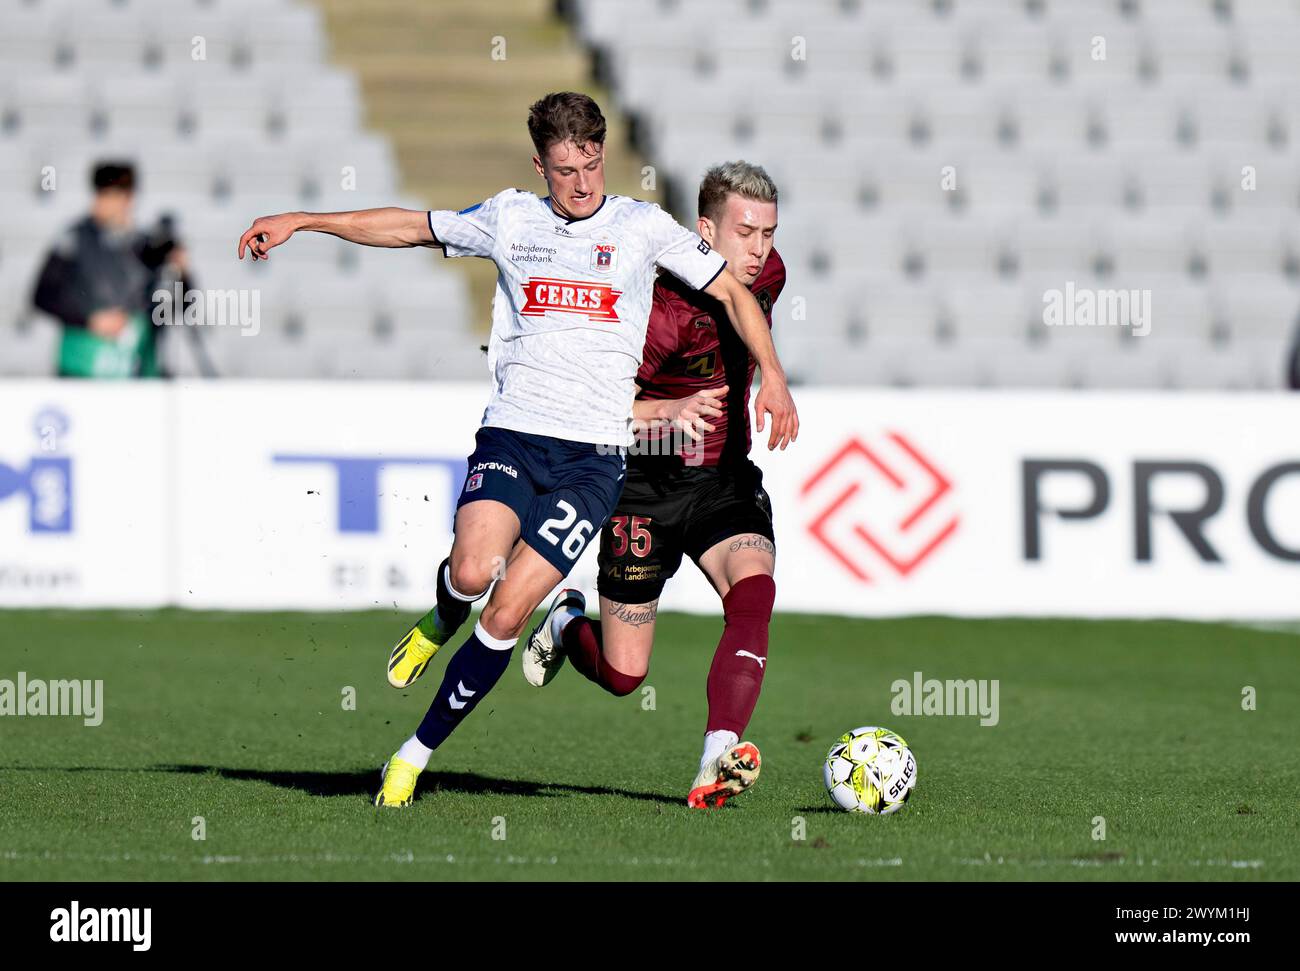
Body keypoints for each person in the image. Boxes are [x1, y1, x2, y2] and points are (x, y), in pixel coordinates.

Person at [236, 93, 798, 808]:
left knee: (516, 614)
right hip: (548, 446)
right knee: (480, 580)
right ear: (542, 165)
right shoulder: (514, 219)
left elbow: (743, 300)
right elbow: (409, 227)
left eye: (593, 164)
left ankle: (417, 756)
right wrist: (303, 220)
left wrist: (774, 378)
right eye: (567, 170)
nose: (584, 182)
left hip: (618, 465)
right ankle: (455, 613)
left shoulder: (649, 231)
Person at [520, 161, 786, 808]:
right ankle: (565, 624)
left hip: (721, 479)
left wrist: (774, 377)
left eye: (769, 233)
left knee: (753, 592)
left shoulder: (767, 275)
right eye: (744, 233)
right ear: (702, 230)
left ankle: (715, 756)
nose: (758, 251)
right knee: (622, 673)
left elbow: (753, 317)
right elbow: (585, 411)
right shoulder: (651, 315)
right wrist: (660, 414)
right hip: (640, 487)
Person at [32, 162, 192, 378]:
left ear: (129, 198)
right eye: (102, 195)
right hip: (82, 366)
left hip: (133, 368)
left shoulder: (146, 247)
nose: (102, 203)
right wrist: (91, 321)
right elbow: (42, 296)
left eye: (113, 195)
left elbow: (179, 307)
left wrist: (181, 273)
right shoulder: (74, 239)